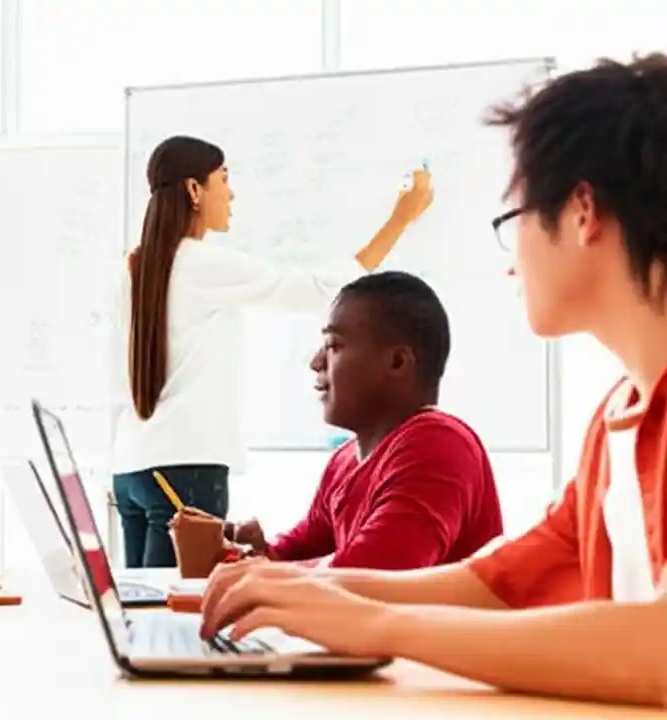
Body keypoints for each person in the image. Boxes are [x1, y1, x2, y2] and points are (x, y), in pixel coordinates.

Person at [199, 55, 667, 708]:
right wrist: (308, 591)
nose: (511, 265)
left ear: (583, 212)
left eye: (516, 221)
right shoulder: (618, 414)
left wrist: (374, 622)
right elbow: (498, 582)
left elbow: (657, 645)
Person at [112, 134, 434, 568]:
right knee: (179, 617)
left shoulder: (133, 269)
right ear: (194, 190)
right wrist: (401, 219)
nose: (231, 193)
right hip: (185, 469)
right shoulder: (202, 264)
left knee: (141, 618)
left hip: (133, 466)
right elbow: (320, 289)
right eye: (223, 179)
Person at [174, 271, 503, 572]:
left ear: (398, 362)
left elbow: (372, 574)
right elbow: (297, 554)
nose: (316, 362)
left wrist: (258, 570)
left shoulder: (439, 445)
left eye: (333, 346)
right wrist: (248, 551)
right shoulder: (345, 461)